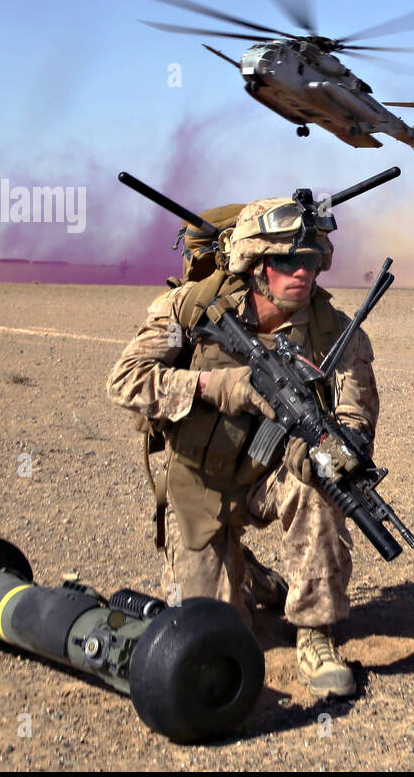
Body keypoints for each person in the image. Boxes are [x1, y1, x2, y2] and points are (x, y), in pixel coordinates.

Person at [107, 197, 378, 699]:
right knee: (215, 634)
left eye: (311, 261)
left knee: (323, 486)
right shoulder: (187, 309)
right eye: (286, 261)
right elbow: (125, 382)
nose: (302, 272)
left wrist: (332, 449)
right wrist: (214, 386)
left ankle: (315, 632)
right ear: (256, 266)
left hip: (268, 476)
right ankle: (249, 574)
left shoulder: (335, 331)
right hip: (199, 480)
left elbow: (355, 414)